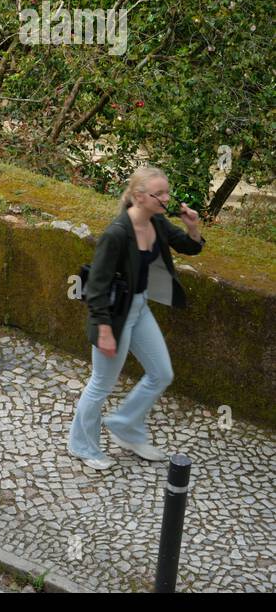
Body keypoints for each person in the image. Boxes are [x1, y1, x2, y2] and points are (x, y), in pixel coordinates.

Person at [68, 166, 204, 470]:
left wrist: (193, 226)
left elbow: (189, 247)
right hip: (114, 316)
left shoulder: (156, 221)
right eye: (160, 194)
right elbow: (97, 288)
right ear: (140, 196)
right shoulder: (116, 235)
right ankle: (82, 445)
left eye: (167, 192)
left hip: (140, 307)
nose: (167, 199)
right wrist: (104, 330)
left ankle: (126, 426)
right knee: (101, 384)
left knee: (162, 373)